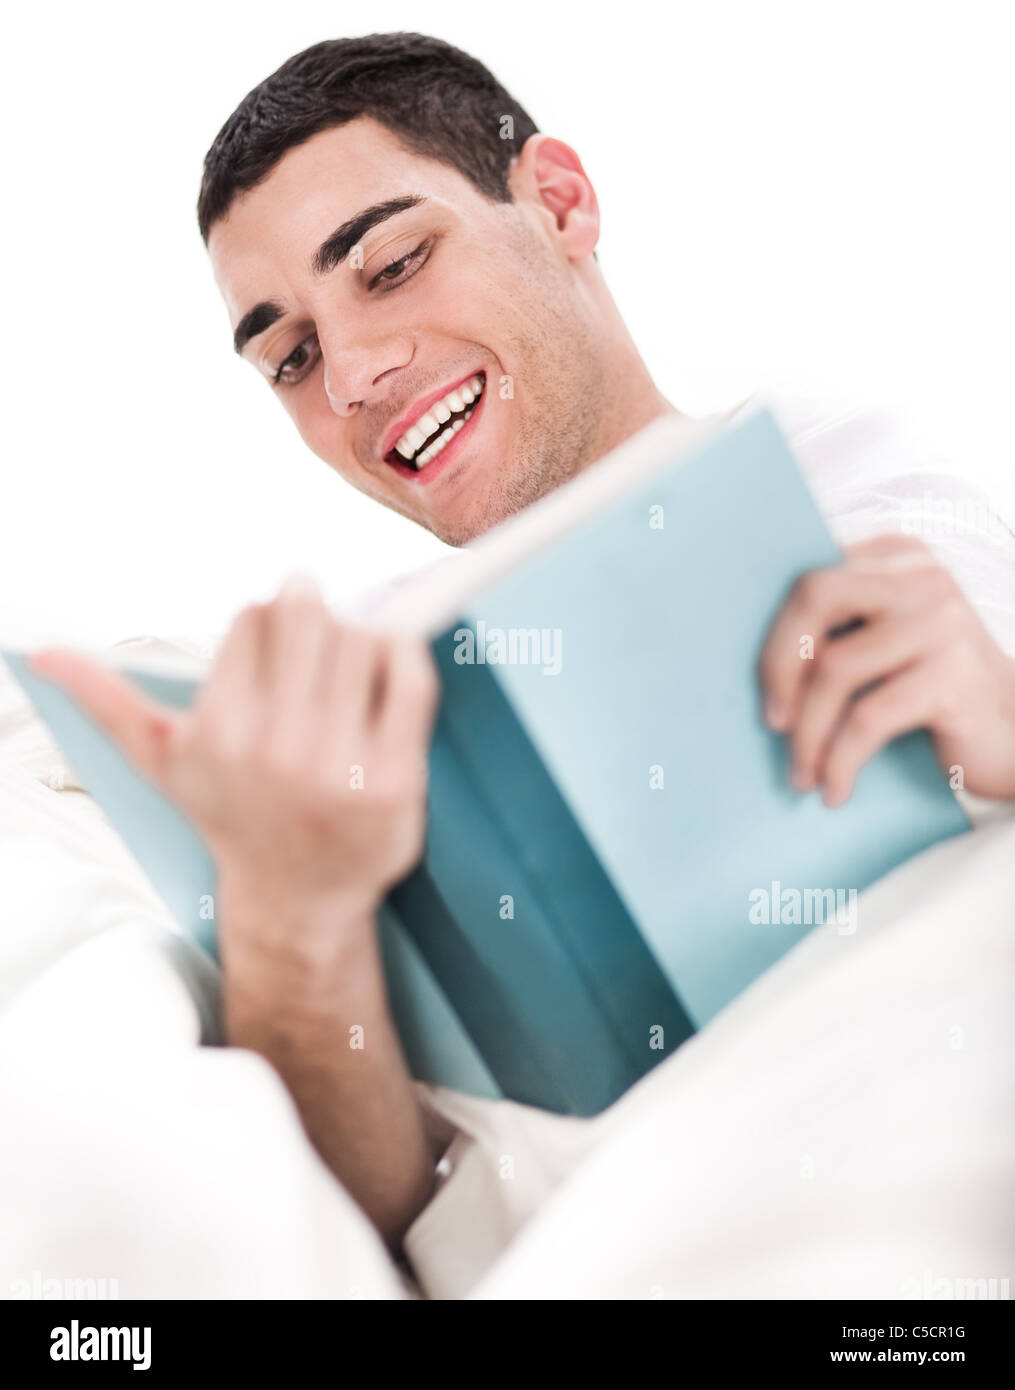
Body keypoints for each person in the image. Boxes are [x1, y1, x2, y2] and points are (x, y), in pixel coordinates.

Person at [25, 33, 1015, 1275]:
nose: (354, 375)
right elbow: (372, 1214)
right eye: (289, 357)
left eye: (391, 265)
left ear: (559, 202)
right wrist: (296, 931)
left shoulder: (857, 486)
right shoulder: (347, 678)